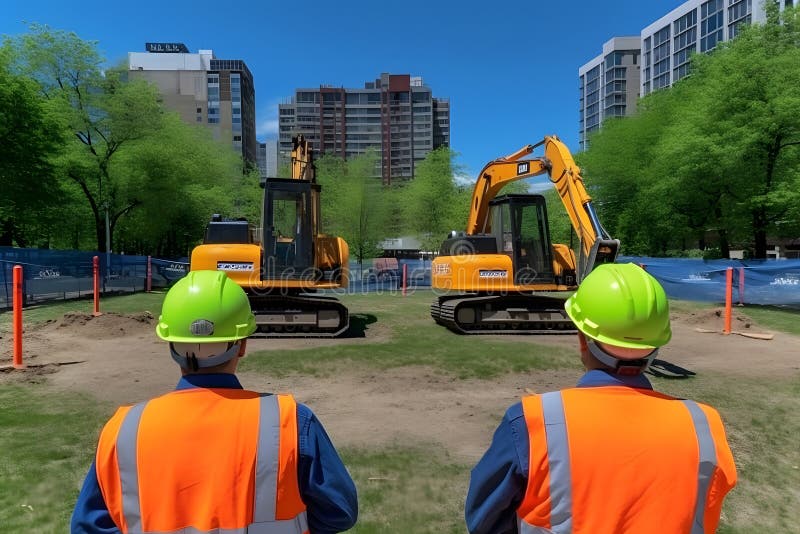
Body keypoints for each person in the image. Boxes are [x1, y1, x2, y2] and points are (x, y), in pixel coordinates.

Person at [71, 270, 358, 534]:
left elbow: (88, 527)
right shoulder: (290, 421)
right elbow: (339, 511)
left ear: (171, 346)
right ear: (242, 344)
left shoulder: (123, 430)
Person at [465, 262, 737, 534]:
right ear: (656, 346)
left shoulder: (532, 423)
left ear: (583, 338)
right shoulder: (705, 426)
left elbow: (484, 521)